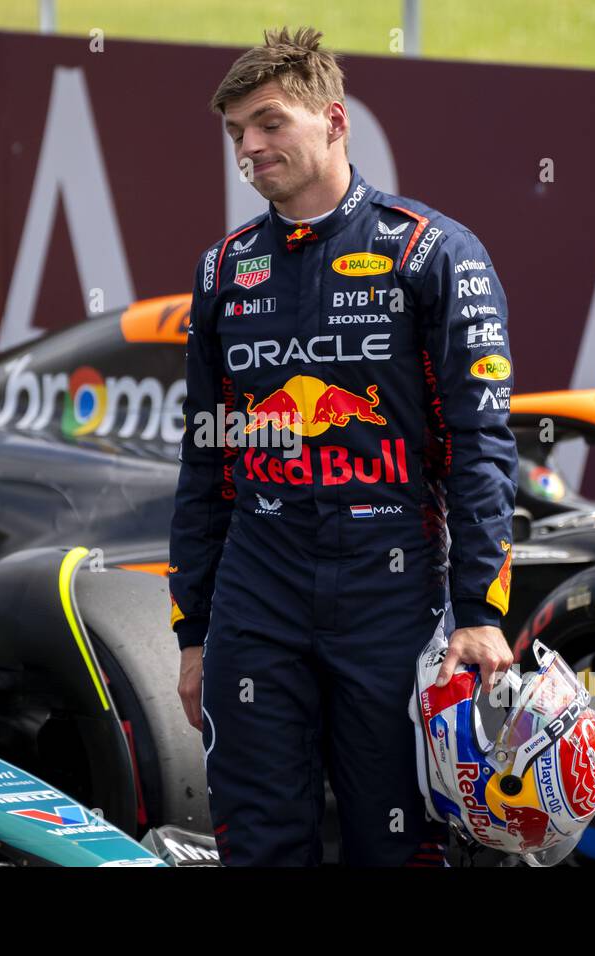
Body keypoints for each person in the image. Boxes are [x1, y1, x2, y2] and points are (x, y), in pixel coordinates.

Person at [168, 25, 518, 866]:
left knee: (395, 841)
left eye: (269, 123)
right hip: (260, 586)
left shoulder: (431, 252)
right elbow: (204, 459)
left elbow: (481, 441)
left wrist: (478, 611)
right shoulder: (223, 271)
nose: (249, 148)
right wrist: (193, 630)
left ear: (333, 119)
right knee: (258, 841)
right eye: (235, 134)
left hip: (390, 584)